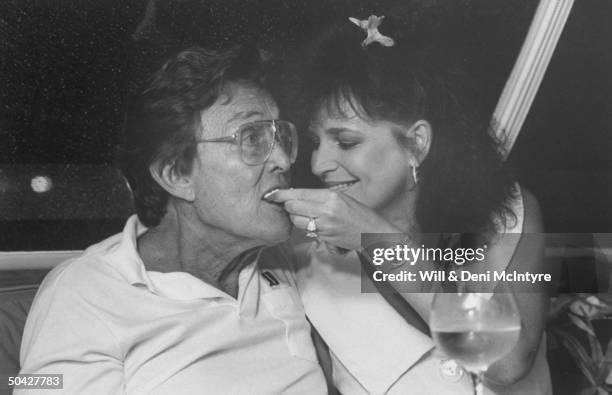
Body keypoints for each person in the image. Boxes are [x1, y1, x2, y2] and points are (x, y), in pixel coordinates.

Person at [17, 45, 328, 394]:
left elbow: (403, 282)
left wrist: (369, 233)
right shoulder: (84, 294)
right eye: (253, 138)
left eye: (280, 136)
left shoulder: (291, 254)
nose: (284, 161)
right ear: (177, 173)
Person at [266, 16, 552, 394]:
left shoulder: (512, 214)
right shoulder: (304, 258)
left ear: (417, 143)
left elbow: (507, 363)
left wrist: (380, 240)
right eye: (317, 142)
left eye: (347, 142)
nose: (319, 165)